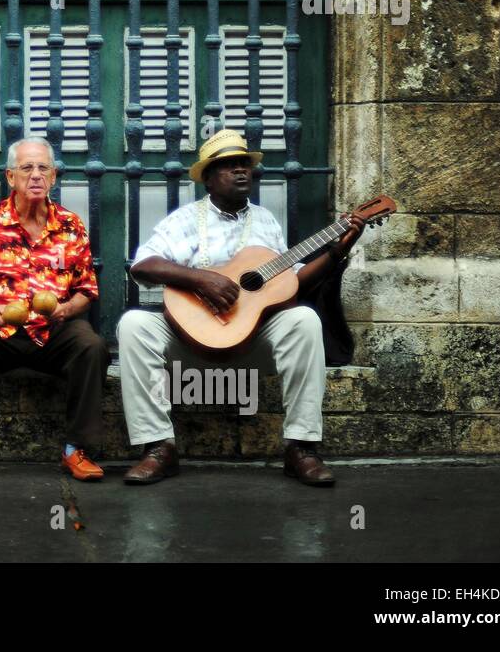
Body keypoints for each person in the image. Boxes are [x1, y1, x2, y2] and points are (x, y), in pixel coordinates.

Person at [118, 129, 365, 487]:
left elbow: (295, 281)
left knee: (304, 319)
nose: (241, 172)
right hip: (191, 342)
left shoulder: (265, 221)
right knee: (134, 325)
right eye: (229, 166)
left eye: (245, 165)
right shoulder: (185, 220)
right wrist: (200, 279)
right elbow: (142, 266)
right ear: (208, 178)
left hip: (251, 343)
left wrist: (337, 250)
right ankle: (158, 448)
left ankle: (302, 447)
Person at [0, 137, 111, 482]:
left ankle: (77, 450)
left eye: (43, 168)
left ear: (53, 177)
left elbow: (86, 290)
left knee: (91, 346)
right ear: (10, 177)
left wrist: (65, 310)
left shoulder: (70, 225)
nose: (35, 175)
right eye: (27, 168)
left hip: (53, 330)